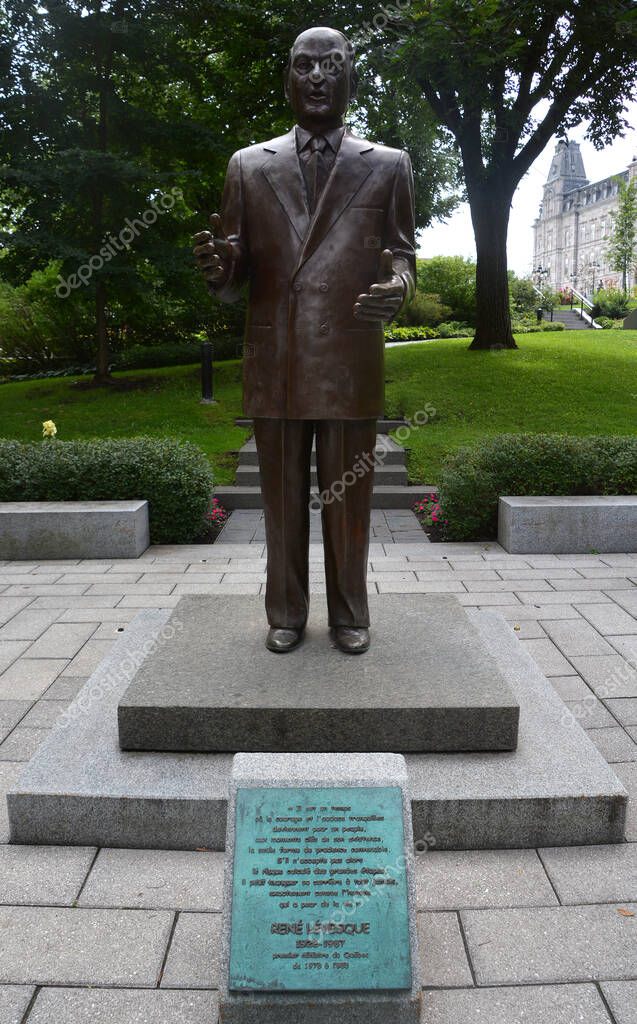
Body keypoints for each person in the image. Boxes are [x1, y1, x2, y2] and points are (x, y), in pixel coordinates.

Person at [193, 26, 416, 655]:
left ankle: (349, 612)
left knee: (348, 503)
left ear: (351, 77)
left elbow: (402, 254)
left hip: (349, 358)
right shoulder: (247, 164)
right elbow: (236, 267)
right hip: (278, 359)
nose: (318, 76)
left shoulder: (389, 165)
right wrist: (220, 266)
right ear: (288, 78)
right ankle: (285, 610)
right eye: (304, 65)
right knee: (281, 500)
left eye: (332, 64)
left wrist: (398, 286)